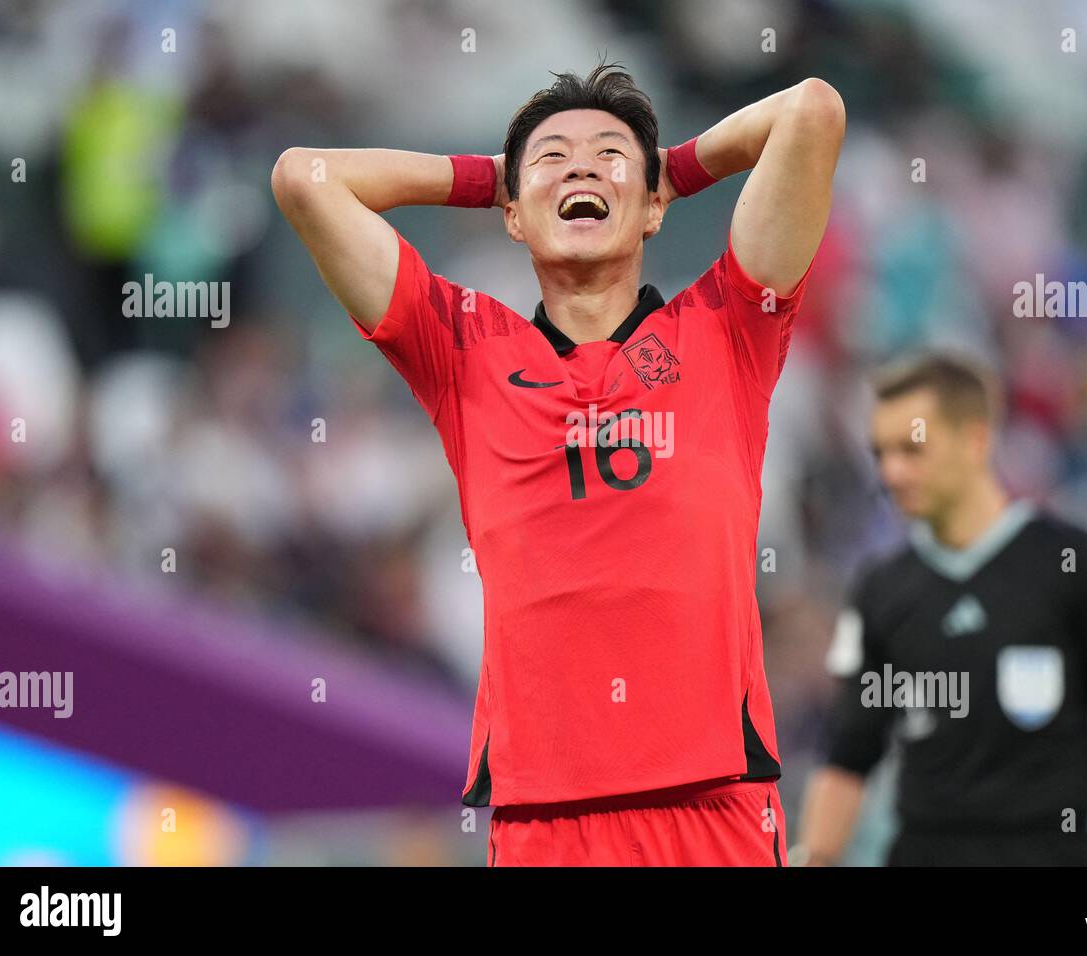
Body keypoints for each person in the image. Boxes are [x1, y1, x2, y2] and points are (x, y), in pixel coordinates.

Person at [271, 63, 846, 865]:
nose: (580, 166)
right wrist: (494, 178)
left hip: (713, 807)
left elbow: (812, 112)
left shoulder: (726, 329)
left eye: (609, 153)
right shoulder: (465, 352)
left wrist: (671, 168)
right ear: (512, 214)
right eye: (552, 158)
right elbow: (306, 177)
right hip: (545, 822)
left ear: (652, 210)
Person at [791, 354, 1087, 866]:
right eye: (881, 452)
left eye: (912, 449)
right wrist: (817, 857)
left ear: (975, 440)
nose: (891, 471)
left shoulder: (1073, 565)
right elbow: (849, 753)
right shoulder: (881, 589)